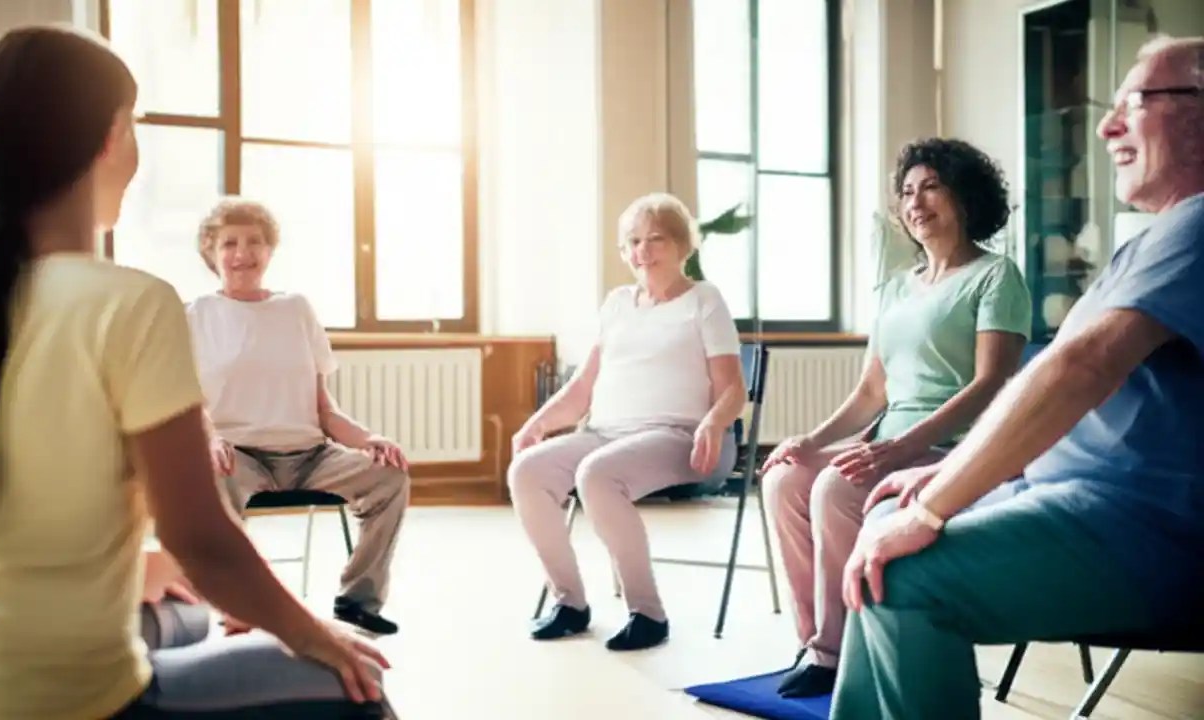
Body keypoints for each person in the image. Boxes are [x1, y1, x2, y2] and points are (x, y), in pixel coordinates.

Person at [0, 26, 392, 719]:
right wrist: (313, 631)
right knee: (360, 687)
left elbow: (34, 502)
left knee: (187, 616)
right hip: (73, 701)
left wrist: (132, 568)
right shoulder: (134, 302)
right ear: (113, 137)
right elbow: (203, 541)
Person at [831, 36, 1204, 720]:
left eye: (1136, 101)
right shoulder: (1158, 236)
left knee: (900, 575)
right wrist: (970, 480)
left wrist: (937, 500)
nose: (1106, 124)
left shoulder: (1200, 225)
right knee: (882, 523)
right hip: (1073, 495)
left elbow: (1077, 368)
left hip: (1149, 529)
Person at [760, 138, 1031, 697]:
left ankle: (834, 653)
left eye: (931, 186)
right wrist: (808, 441)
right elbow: (869, 392)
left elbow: (990, 386)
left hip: (955, 451)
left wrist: (903, 447)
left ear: (965, 196)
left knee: (836, 487)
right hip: (887, 444)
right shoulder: (897, 288)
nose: (916, 202)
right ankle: (816, 641)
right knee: (786, 477)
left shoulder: (997, 277)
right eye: (908, 191)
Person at [508, 192, 746, 652]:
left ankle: (647, 614)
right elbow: (581, 390)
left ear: (682, 246)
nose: (643, 251)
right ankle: (569, 604)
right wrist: (537, 424)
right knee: (527, 470)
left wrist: (715, 424)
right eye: (634, 242)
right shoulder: (617, 304)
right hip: (605, 433)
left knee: (597, 474)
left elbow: (733, 388)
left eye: (656, 239)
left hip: (681, 436)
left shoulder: (704, 300)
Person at [186, 197, 410, 636]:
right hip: (240, 456)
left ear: (270, 250)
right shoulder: (196, 315)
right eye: (229, 242)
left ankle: (358, 599)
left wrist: (367, 439)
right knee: (211, 476)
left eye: (255, 242)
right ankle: (238, 601)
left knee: (390, 475)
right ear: (210, 252)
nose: (242, 253)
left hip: (311, 455)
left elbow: (324, 408)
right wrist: (209, 441)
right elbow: (191, 404)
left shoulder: (296, 309)